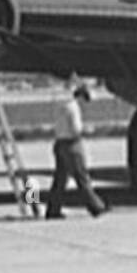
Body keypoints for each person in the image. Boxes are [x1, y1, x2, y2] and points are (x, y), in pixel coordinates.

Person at [46, 80, 108, 218]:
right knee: (82, 177)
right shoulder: (73, 107)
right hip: (72, 144)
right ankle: (96, 206)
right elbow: (76, 129)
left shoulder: (61, 105)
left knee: (60, 179)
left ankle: (53, 209)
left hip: (59, 143)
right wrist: (88, 130)